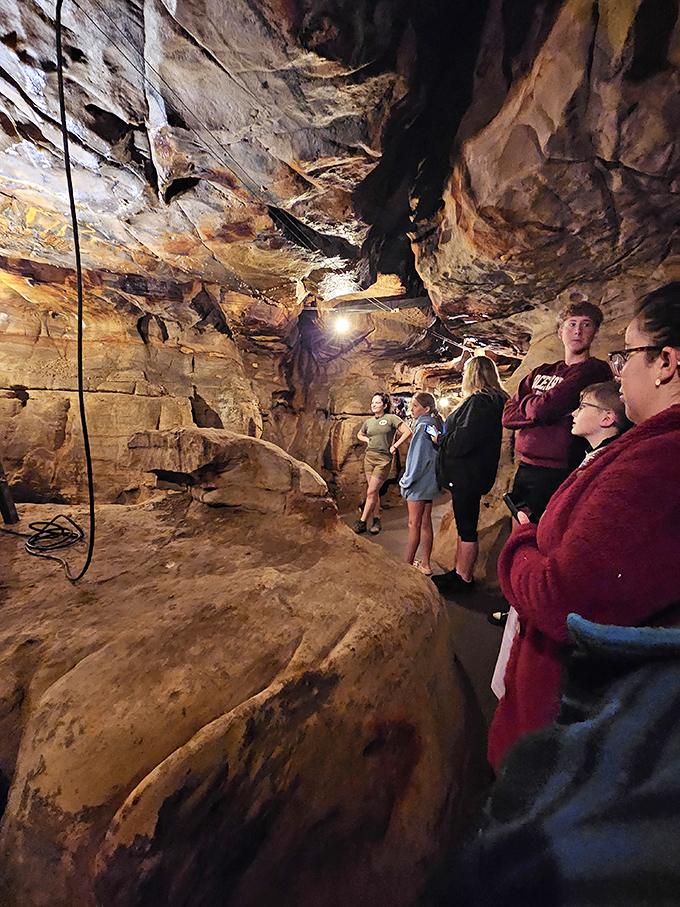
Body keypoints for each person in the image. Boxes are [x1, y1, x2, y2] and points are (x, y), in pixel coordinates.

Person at [487, 282, 680, 772]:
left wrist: (520, 544)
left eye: (627, 353)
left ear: (665, 363)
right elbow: (516, 410)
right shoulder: (647, 446)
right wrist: (530, 410)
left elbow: (562, 598)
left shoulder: (657, 461)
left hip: (564, 718)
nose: (619, 368)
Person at [502, 300, 612, 521]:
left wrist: (530, 404)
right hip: (526, 467)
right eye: (572, 324)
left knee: (544, 534)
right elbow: (507, 415)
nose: (578, 331)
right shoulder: (542, 371)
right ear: (560, 332)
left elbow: (545, 408)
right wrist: (535, 407)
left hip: (559, 471)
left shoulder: (593, 370)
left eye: (586, 325)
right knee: (518, 530)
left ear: (596, 332)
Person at [432, 357, 508, 594]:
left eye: (466, 370)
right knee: (465, 523)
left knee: (466, 526)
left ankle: (463, 577)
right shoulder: (492, 401)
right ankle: (458, 572)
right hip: (472, 472)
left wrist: (440, 439)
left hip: (467, 474)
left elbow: (463, 440)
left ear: (473, 374)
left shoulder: (479, 402)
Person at [399, 392, 443, 575]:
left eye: (415, 406)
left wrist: (407, 480)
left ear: (426, 409)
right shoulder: (434, 425)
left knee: (413, 524)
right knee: (426, 523)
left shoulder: (422, 425)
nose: (411, 409)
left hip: (418, 482)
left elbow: (417, 458)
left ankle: (406, 567)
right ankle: (425, 563)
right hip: (430, 481)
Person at [355, 393, 411, 534]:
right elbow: (360, 434)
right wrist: (367, 440)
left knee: (371, 491)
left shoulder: (391, 418)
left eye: (377, 402)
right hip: (369, 458)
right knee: (374, 492)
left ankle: (362, 522)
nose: (373, 405)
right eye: (372, 402)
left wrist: (395, 446)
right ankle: (376, 520)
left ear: (384, 405)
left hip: (383, 460)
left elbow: (407, 431)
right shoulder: (368, 422)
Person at [570, 380, 631, 466]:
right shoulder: (595, 454)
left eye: (582, 407)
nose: (574, 413)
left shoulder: (610, 461)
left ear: (606, 418)